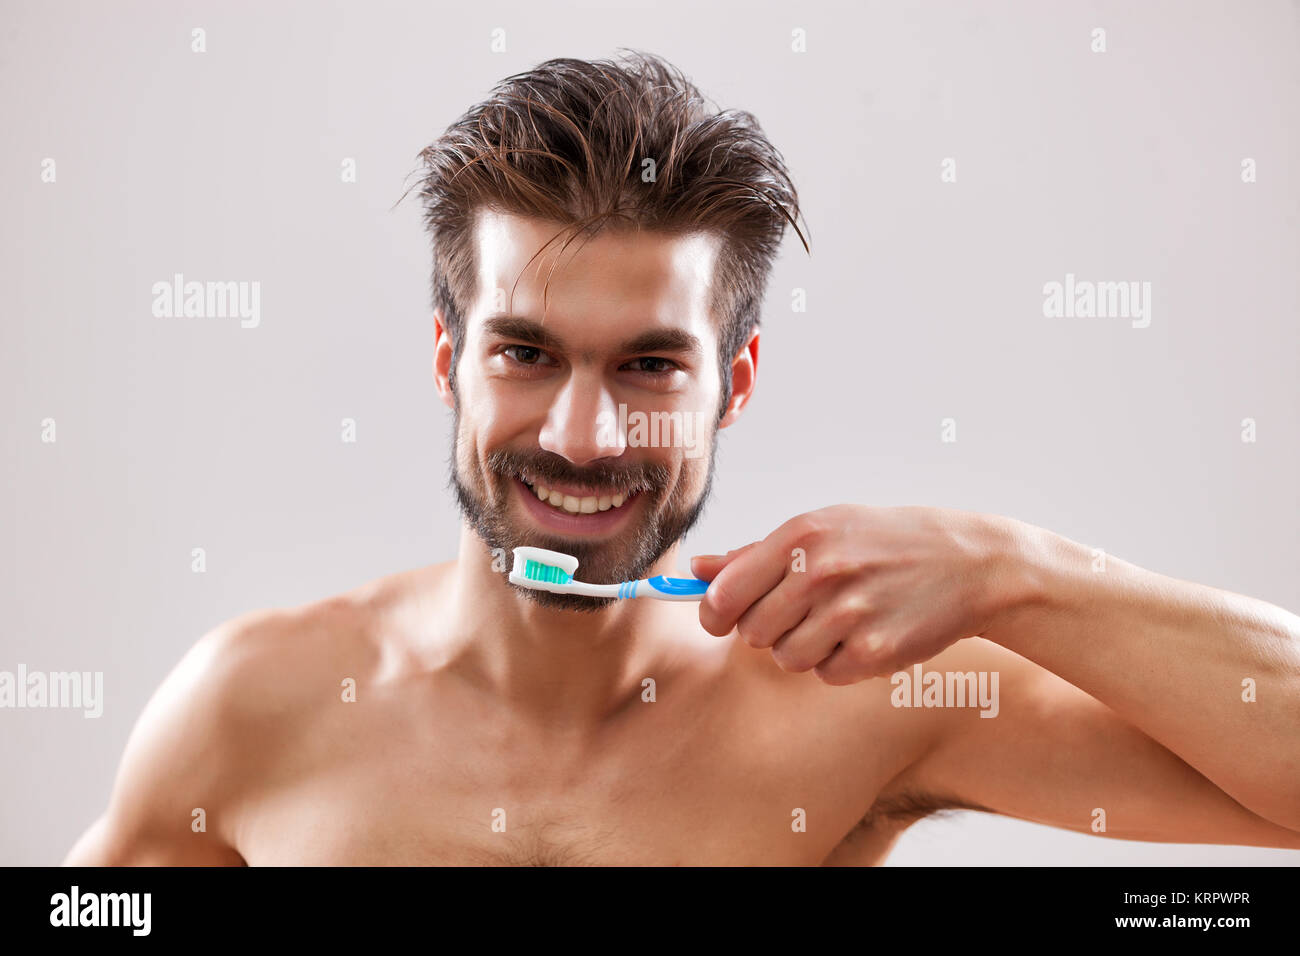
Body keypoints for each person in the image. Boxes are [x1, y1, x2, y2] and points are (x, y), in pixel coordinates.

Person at [65, 50, 1300, 866]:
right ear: (447, 360)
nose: (584, 437)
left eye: (650, 366)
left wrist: (1009, 567)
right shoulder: (249, 704)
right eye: (526, 354)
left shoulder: (858, 699)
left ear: (735, 383)